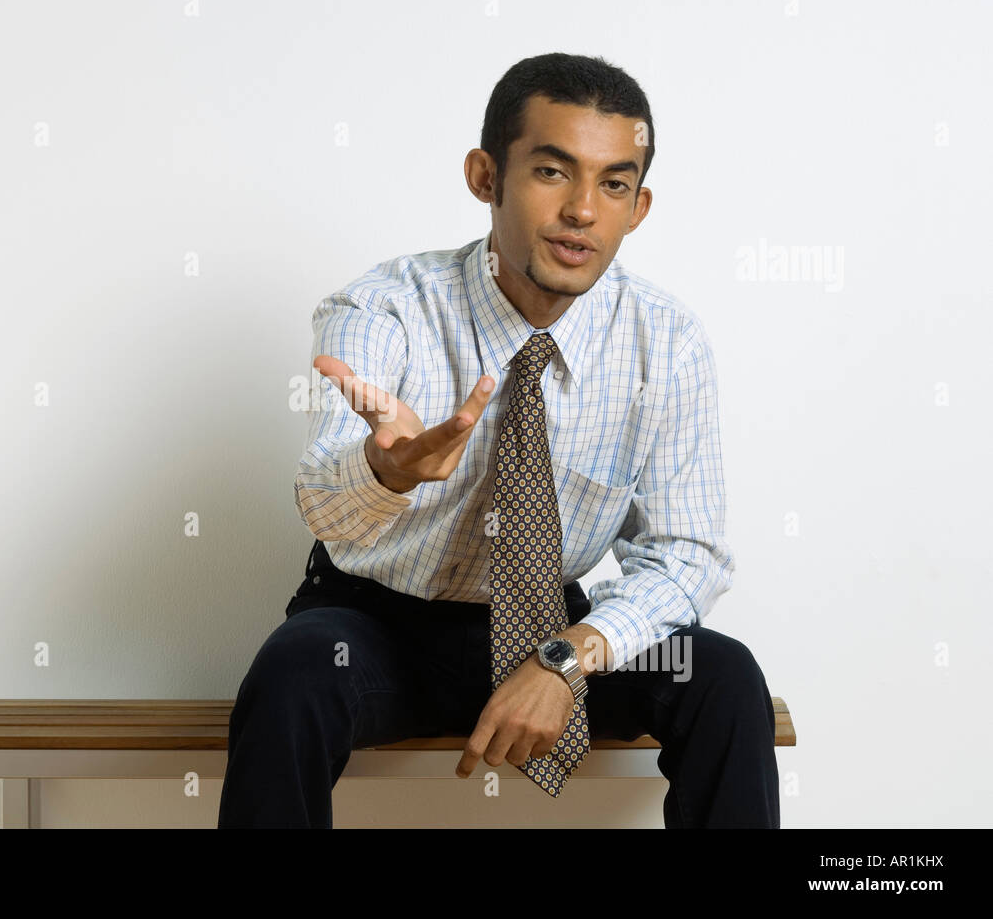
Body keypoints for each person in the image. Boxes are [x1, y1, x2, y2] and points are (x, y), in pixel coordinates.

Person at [218, 53, 779, 829]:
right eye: (553, 172)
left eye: (613, 183)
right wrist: (388, 472)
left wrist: (567, 658)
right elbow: (325, 508)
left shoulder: (668, 342)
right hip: (381, 626)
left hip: (554, 626)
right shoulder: (382, 310)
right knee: (293, 671)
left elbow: (690, 554)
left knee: (724, 676)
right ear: (486, 177)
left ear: (638, 206)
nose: (583, 209)